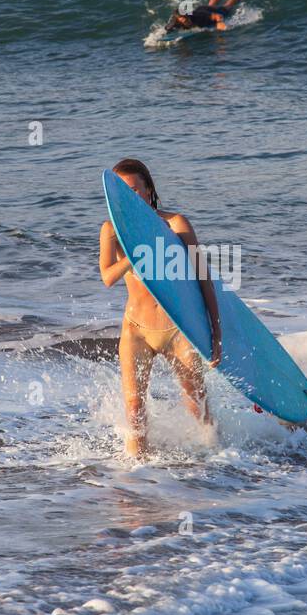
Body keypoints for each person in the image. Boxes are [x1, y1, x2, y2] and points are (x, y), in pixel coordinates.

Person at [99, 159, 221, 457]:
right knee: (134, 408)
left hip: (177, 329)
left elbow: (202, 277)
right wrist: (136, 252)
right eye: (122, 193)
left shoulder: (176, 224)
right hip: (137, 330)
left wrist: (215, 332)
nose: (129, 198)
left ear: (149, 189)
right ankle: (139, 475)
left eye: (134, 190)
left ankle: (219, 462)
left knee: (196, 402)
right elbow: (108, 277)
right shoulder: (111, 230)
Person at [163, 0, 248, 32]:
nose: (186, 22)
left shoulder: (197, 17)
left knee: (226, 6)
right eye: (183, 21)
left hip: (205, 12)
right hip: (202, 9)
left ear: (188, 16)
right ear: (178, 19)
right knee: (211, 5)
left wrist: (219, 23)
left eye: (186, 19)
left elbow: (218, 16)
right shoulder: (175, 22)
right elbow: (166, 29)